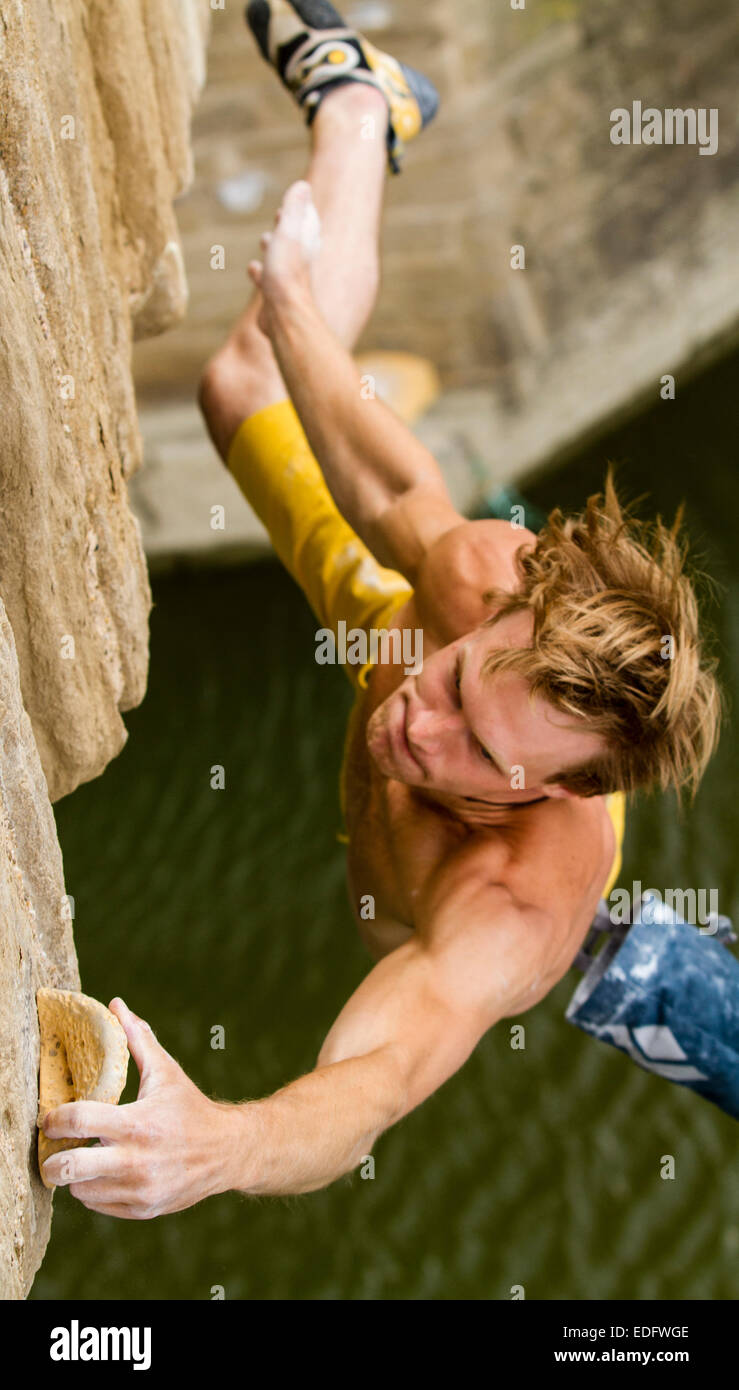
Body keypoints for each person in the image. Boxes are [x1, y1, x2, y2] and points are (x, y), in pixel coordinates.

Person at [40, 0, 721, 1217]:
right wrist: (293, 306)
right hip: (388, 620)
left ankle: (609, 935)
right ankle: (362, 100)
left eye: (482, 754)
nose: (422, 726)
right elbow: (388, 482)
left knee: (530, 920)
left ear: (553, 789)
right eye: (459, 683)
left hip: (506, 889)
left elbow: (369, 1086)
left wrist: (217, 1144)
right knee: (240, 380)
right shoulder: (475, 583)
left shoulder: (504, 909)